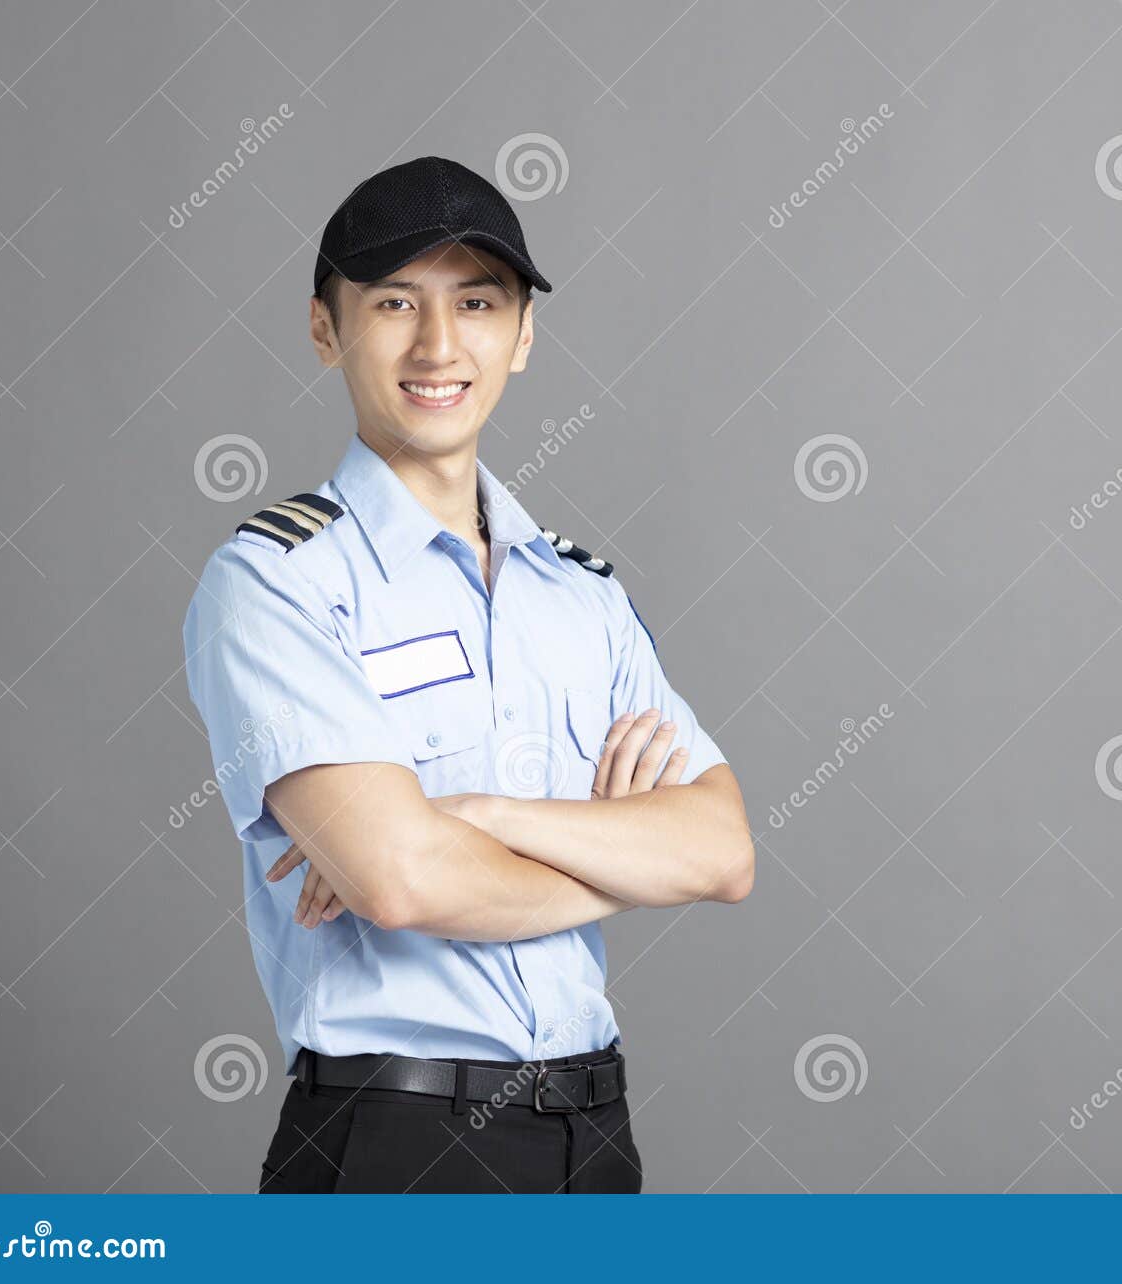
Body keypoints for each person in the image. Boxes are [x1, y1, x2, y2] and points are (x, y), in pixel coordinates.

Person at [182, 156, 753, 1194]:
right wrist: (621, 864)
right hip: (396, 1143)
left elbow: (720, 852)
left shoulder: (583, 597)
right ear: (325, 329)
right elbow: (402, 883)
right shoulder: (277, 583)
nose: (438, 346)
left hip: (595, 1138)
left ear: (522, 336)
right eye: (395, 302)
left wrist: (479, 813)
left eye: (477, 304)